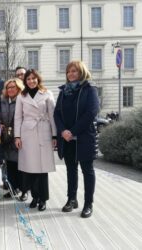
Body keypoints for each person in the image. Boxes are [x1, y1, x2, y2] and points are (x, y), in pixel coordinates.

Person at [54, 60, 99, 218]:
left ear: (81, 72)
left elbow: (91, 113)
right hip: (67, 139)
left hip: (84, 137)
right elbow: (57, 113)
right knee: (71, 170)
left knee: (87, 171)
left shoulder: (89, 89)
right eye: (68, 71)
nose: (71, 74)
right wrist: (62, 131)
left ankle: (88, 204)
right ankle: (72, 199)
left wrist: (72, 131)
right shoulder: (64, 91)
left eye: (74, 71)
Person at [14, 69, 57, 211]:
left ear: (38, 79)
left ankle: (43, 199)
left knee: (42, 169)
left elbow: (52, 115)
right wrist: (17, 136)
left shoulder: (47, 93)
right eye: (28, 79)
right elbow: (18, 117)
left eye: (34, 78)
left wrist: (54, 135)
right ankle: (35, 197)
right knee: (30, 168)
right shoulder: (22, 95)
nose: (31, 81)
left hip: (44, 131)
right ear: (25, 81)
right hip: (27, 133)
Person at [0, 78, 26, 200]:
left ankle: (24, 190)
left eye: (13, 87)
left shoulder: (23, 100)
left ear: (19, 88)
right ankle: (13, 188)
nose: (10, 89)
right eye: (8, 87)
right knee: (10, 165)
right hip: (7, 137)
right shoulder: (4, 100)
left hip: (19, 136)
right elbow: (1, 116)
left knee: (21, 165)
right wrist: (1, 124)